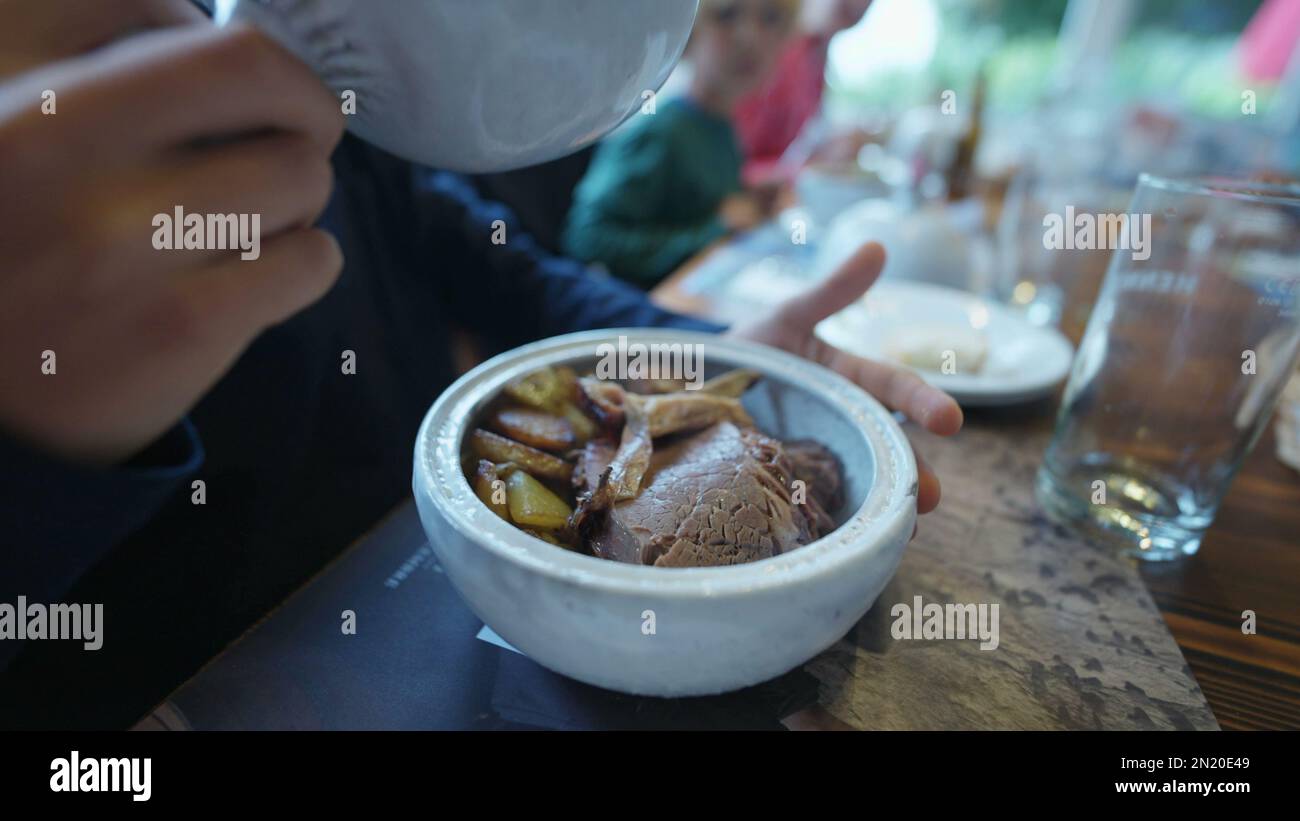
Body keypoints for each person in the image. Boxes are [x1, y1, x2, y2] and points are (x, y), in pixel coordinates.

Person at [0, 0, 961, 728]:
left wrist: (701, 354)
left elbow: (519, 278)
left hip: (447, 608)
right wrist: (29, 452)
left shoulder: (345, 108)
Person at [561, 0, 799, 288]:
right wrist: (713, 230)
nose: (749, 37)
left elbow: (694, 204)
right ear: (689, 30)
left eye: (771, 18)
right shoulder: (660, 131)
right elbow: (586, 238)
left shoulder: (721, 126)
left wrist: (748, 195)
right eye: (726, 15)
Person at [734, 0, 874, 185]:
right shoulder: (769, 44)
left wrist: (825, 155)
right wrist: (811, 167)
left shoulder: (817, 61)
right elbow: (728, 165)